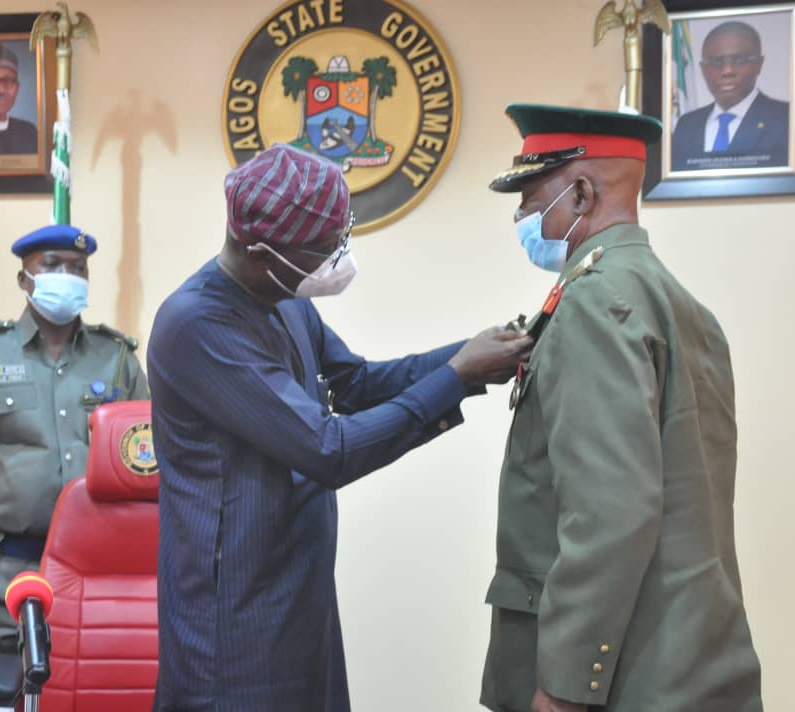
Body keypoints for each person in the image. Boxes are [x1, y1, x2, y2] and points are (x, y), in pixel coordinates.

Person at [147, 143, 533, 711]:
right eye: (324, 247)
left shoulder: (282, 296)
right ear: (261, 251)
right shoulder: (197, 325)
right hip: (233, 624)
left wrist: (470, 353)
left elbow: (356, 382)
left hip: (298, 592)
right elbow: (329, 450)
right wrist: (457, 376)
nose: (337, 257)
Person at [482, 104, 763, 712]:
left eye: (531, 201)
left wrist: (564, 685)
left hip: (626, 677)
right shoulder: (677, 301)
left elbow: (609, 510)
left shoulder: (593, 303)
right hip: (688, 655)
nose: (523, 218)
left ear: (581, 195)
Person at [0, 224, 148, 702]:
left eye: (78, 268)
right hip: (5, 574)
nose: (67, 276)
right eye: (53, 265)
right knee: (4, 694)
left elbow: (147, 469)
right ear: (25, 278)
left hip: (98, 573)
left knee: (94, 696)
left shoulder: (117, 360)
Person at [671, 20, 789, 171]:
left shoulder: (786, 119)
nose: (728, 71)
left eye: (739, 61)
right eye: (717, 62)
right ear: (703, 69)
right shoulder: (686, 125)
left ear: (759, 64)